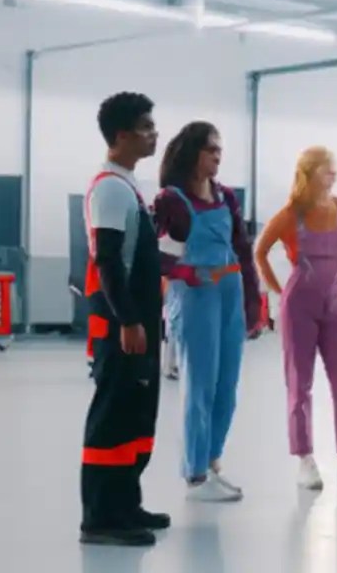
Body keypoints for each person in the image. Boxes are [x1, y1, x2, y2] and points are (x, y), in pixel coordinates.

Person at [254, 146, 337, 490]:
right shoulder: (292, 214)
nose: (334, 176)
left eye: (335, 170)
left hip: (336, 306)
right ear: (309, 174)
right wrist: (279, 292)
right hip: (300, 306)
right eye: (327, 170)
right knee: (299, 384)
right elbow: (260, 250)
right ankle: (305, 460)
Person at [153, 122, 260, 503]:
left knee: (226, 387)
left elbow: (243, 250)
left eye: (220, 150)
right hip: (194, 296)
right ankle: (195, 475)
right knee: (199, 386)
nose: (217, 156)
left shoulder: (226, 197)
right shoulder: (172, 200)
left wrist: (253, 301)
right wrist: (188, 273)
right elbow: (154, 256)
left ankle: (213, 462)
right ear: (191, 152)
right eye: (210, 149)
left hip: (229, 291)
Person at [79, 91, 168, 547]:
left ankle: (125, 503)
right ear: (121, 135)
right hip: (121, 323)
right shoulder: (111, 188)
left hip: (138, 321)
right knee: (113, 416)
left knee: (136, 416)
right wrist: (128, 321)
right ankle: (100, 518)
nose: (155, 134)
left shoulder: (128, 184)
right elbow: (110, 262)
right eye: (146, 127)